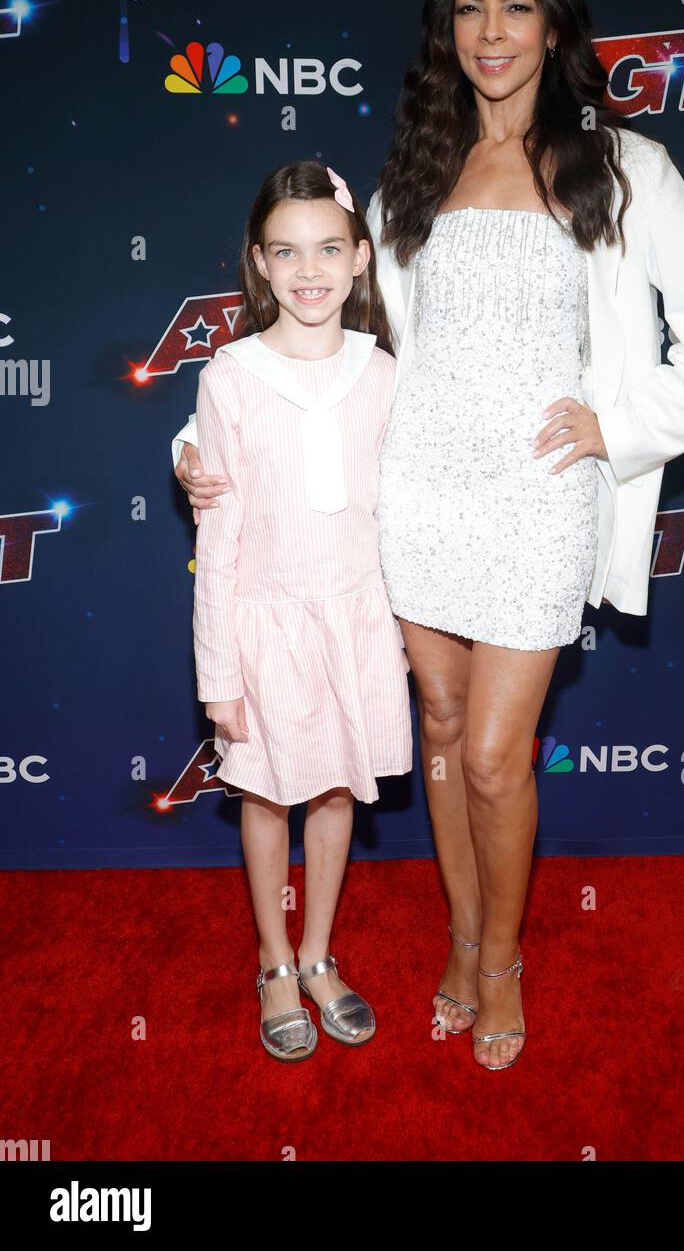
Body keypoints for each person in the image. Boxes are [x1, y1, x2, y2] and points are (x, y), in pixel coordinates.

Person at [174, 0, 684, 1073]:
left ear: (553, 24)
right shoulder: (414, 173)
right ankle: (455, 939)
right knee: (438, 728)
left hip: (540, 497)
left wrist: (624, 428)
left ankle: (500, 962)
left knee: (496, 754)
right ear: (446, 30)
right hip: (420, 487)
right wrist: (200, 440)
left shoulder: (622, 165)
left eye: (515, 8)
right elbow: (315, 343)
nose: (490, 33)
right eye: (468, 10)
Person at [190, 160, 412, 1062]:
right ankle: (274, 963)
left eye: (328, 248)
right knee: (264, 794)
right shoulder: (230, 375)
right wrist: (218, 674)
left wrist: (400, 640)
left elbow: (405, 512)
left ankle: (320, 954)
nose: (308, 269)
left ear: (360, 258)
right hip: (262, 624)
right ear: (259, 263)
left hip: (358, 620)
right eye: (286, 251)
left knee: (333, 789)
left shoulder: (385, 370)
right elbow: (221, 533)